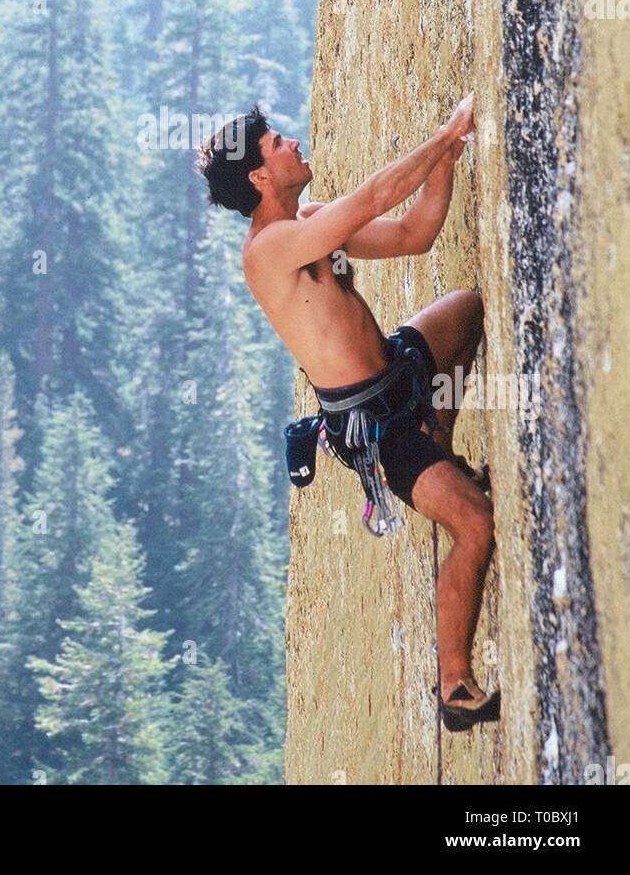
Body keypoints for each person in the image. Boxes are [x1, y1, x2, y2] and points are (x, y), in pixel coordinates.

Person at [197, 93, 499, 732]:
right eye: (277, 143)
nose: (292, 143)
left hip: (398, 370)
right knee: (473, 524)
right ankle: (455, 687)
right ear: (258, 175)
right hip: (378, 430)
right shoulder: (268, 251)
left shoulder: (306, 221)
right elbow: (370, 201)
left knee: (467, 311)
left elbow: (415, 234)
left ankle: (438, 438)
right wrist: (445, 134)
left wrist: (447, 158)